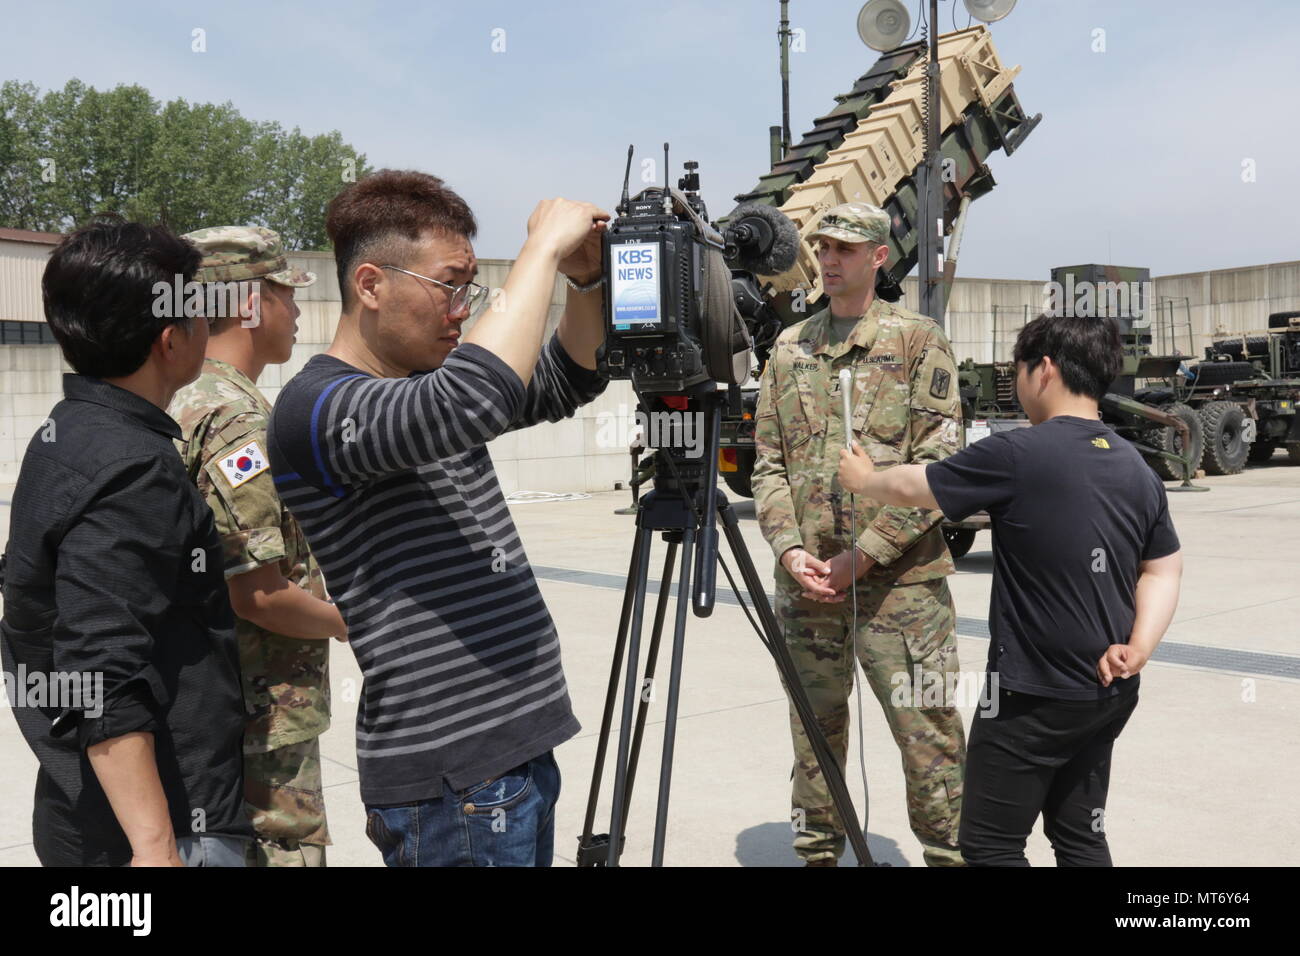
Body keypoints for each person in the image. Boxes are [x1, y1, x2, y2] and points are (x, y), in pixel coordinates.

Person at [267, 170, 609, 867]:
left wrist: (583, 283)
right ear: (370, 285)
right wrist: (539, 253)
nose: (461, 309)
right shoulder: (318, 409)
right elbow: (470, 402)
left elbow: (566, 377)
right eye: (450, 285)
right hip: (456, 782)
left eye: (468, 291)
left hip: (511, 756)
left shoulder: (423, 386)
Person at [838, 312, 1183, 866]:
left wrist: (863, 480)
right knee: (1080, 836)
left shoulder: (1018, 453)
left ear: (1043, 370)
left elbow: (917, 485)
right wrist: (1139, 646)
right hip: (1110, 691)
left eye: (1018, 369)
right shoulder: (1135, 466)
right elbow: (1164, 569)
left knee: (990, 845)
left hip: (1031, 695)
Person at [0, 218, 252, 866]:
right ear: (171, 340)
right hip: (153, 829)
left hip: (81, 810)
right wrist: (156, 846)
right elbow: (101, 673)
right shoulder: (137, 467)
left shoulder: (67, 435)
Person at [752, 201, 967, 867]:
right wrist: (790, 549)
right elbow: (768, 464)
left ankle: (951, 856)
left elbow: (938, 471)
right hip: (811, 587)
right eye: (823, 246)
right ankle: (817, 853)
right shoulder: (790, 348)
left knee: (926, 735)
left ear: (878, 256)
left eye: (846, 248)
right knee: (814, 735)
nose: (830, 259)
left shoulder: (915, 339)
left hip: (901, 591)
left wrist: (863, 555)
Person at [167, 226, 348, 867]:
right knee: (283, 852)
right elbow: (259, 594)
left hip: (225, 699)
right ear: (249, 303)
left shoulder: (185, 396)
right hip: (266, 706)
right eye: (284, 293)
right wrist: (355, 622)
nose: (296, 309)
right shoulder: (233, 414)